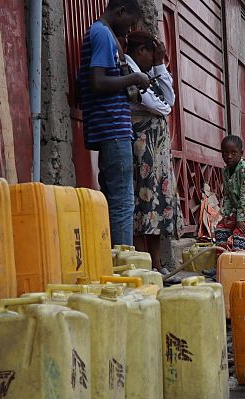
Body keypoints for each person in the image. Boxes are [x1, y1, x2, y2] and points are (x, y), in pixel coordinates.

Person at [76, 0, 149, 247]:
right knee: (122, 201)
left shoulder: (100, 34)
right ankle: (124, 262)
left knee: (113, 199)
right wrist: (135, 77)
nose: (129, 30)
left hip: (109, 127)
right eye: (129, 24)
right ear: (120, 12)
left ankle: (112, 259)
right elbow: (98, 81)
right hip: (113, 128)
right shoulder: (102, 34)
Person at [124, 30, 182, 271]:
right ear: (141, 52)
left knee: (156, 205)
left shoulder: (147, 74)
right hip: (141, 150)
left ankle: (156, 264)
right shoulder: (129, 71)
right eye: (153, 54)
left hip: (155, 153)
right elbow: (162, 106)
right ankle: (145, 263)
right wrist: (159, 65)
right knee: (142, 203)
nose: (155, 59)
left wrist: (159, 66)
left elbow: (168, 99)